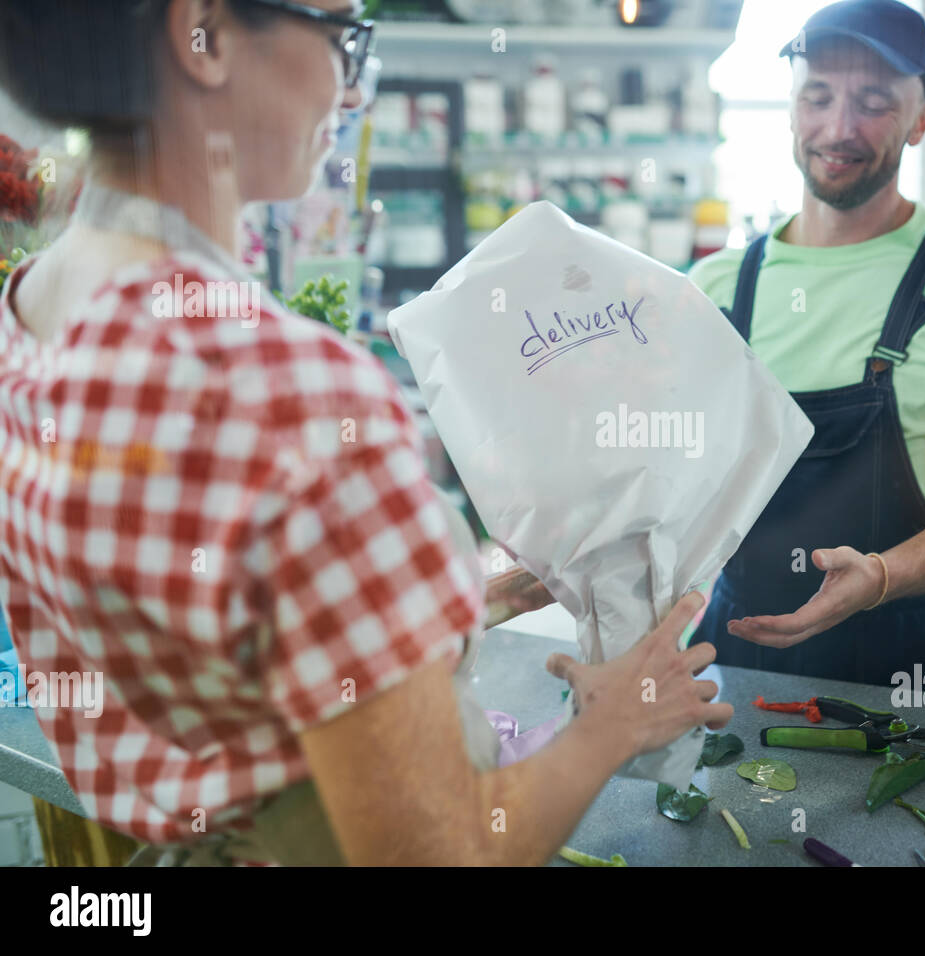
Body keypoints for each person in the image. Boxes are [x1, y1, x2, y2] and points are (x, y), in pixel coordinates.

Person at [0, 0, 731, 865]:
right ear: (206, 36)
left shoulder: (33, 308)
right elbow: (443, 854)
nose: (351, 92)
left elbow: (223, 624)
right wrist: (614, 724)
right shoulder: (291, 394)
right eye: (341, 32)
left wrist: (468, 593)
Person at [688, 0, 925, 684]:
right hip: (737, 653)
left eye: (874, 102)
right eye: (816, 97)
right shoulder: (717, 284)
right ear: (790, 108)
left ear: (922, 120)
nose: (838, 127)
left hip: (909, 662)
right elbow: (667, 481)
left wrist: (881, 577)